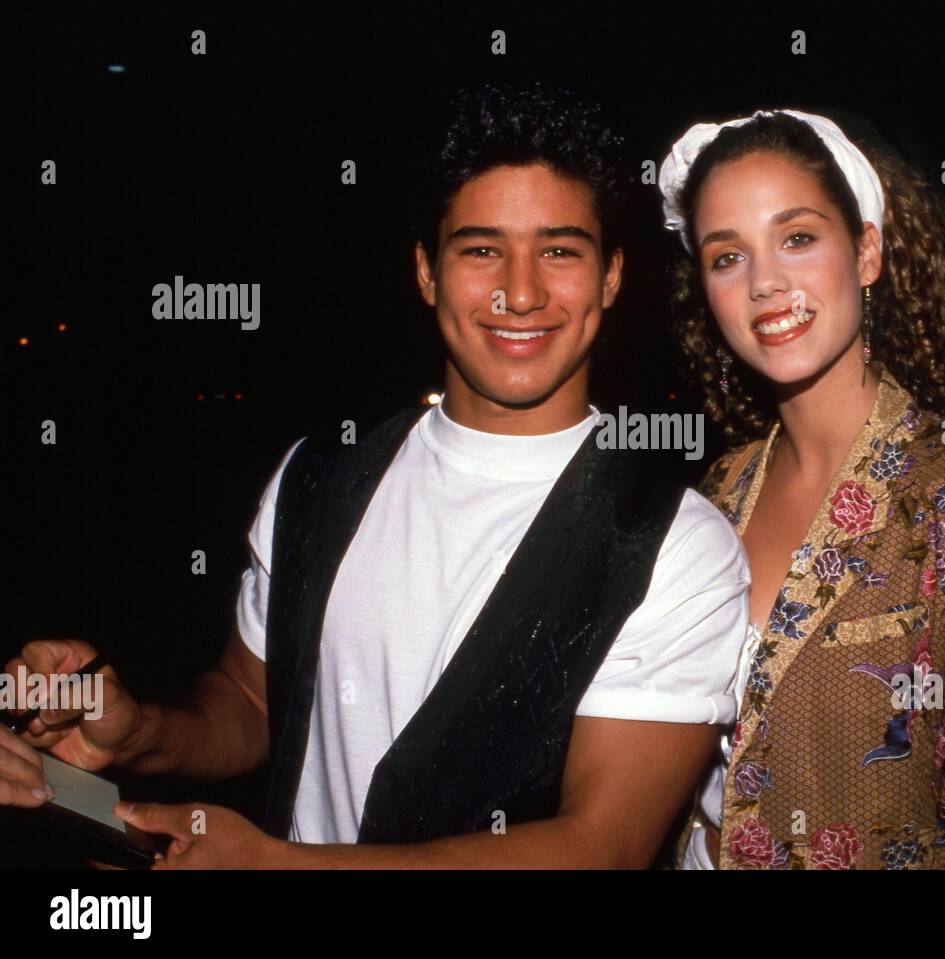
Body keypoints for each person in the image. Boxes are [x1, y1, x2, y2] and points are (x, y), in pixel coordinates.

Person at [0, 82, 750, 868]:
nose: (519, 290)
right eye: (481, 249)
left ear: (611, 277)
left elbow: (600, 845)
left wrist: (275, 867)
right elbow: (254, 699)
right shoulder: (318, 474)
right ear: (427, 272)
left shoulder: (675, 546)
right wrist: (141, 731)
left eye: (559, 250)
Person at [660, 109, 945, 869]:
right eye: (727, 256)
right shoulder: (717, 492)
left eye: (798, 238)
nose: (765, 282)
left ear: (866, 252)